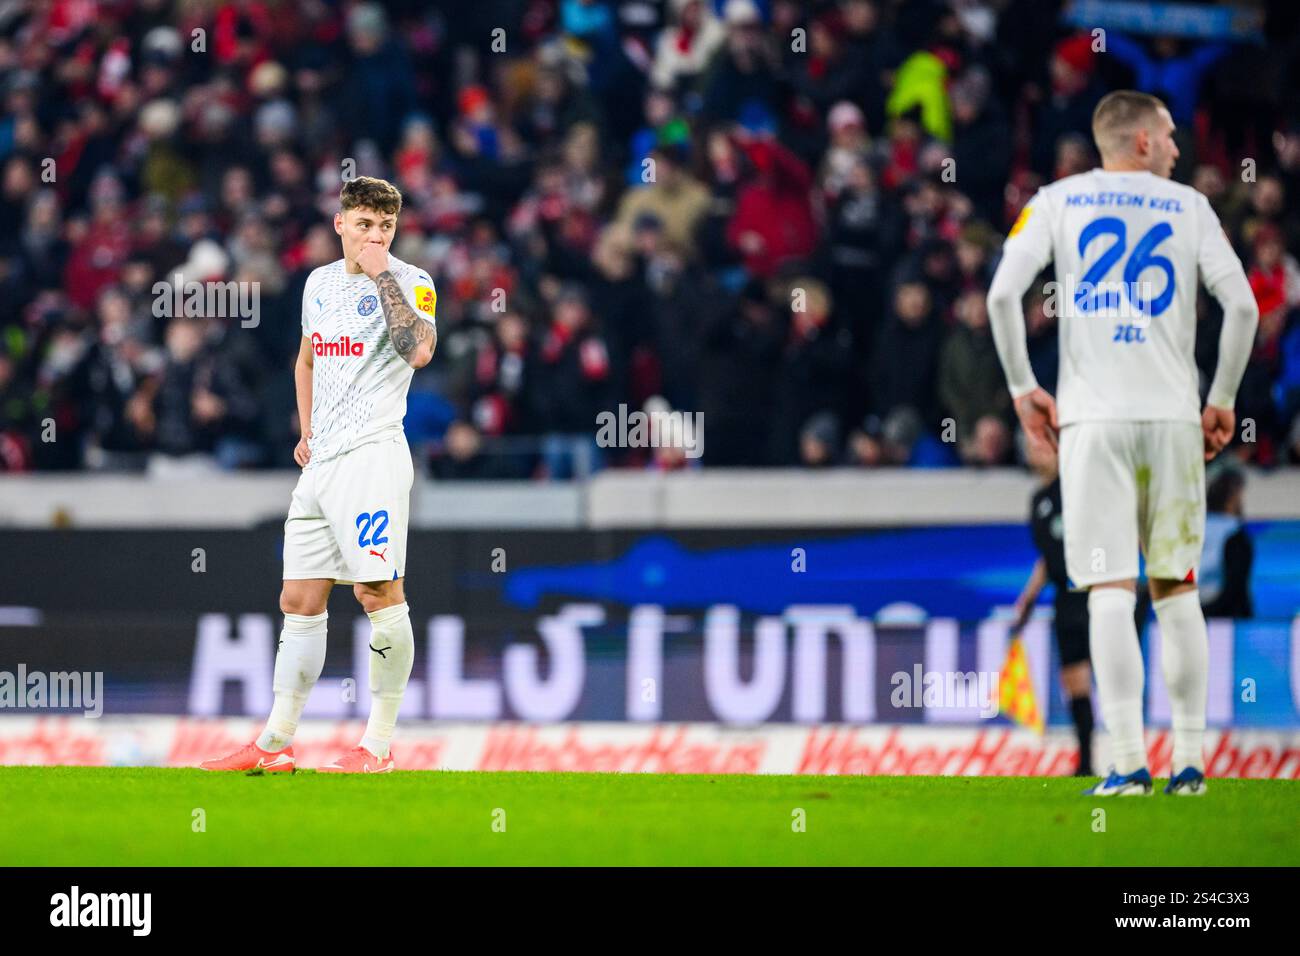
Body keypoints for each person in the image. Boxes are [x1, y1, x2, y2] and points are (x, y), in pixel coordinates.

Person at [986, 91, 1259, 796]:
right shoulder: (1190, 208)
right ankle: (1192, 765)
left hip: (1092, 423)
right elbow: (1244, 306)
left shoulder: (1056, 201)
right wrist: (1221, 398)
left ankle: (1127, 765)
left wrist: (1023, 387)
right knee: (1175, 592)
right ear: (1139, 141)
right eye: (1167, 135)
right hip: (1172, 419)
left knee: (1108, 592)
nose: (1176, 147)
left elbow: (999, 296)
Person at [201, 176, 437, 773]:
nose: (374, 235)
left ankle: (378, 747)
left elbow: (419, 351)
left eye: (385, 226)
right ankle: (274, 745)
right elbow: (306, 357)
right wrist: (306, 431)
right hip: (323, 461)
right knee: (299, 598)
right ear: (340, 224)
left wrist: (383, 271)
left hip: (372, 457)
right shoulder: (318, 283)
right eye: (363, 224)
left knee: (376, 592)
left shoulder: (413, 283)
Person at [1200, 466, 1254, 619]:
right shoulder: (1235, 535)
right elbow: (1236, 586)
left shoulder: (1196, 529)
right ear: (1231, 498)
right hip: (1226, 617)